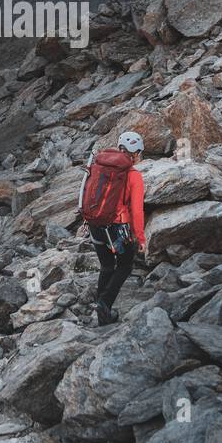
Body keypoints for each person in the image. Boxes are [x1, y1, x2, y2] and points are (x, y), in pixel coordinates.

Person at [81, 130, 146, 326]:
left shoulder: (100, 164)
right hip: (117, 228)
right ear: (134, 153)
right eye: (140, 152)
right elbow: (137, 211)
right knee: (125, 265)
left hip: (94, 223)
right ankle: (104, 303)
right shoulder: (133, 175)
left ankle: (102, 312)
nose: (140, 156)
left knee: (107, 266)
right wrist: (140, 238)